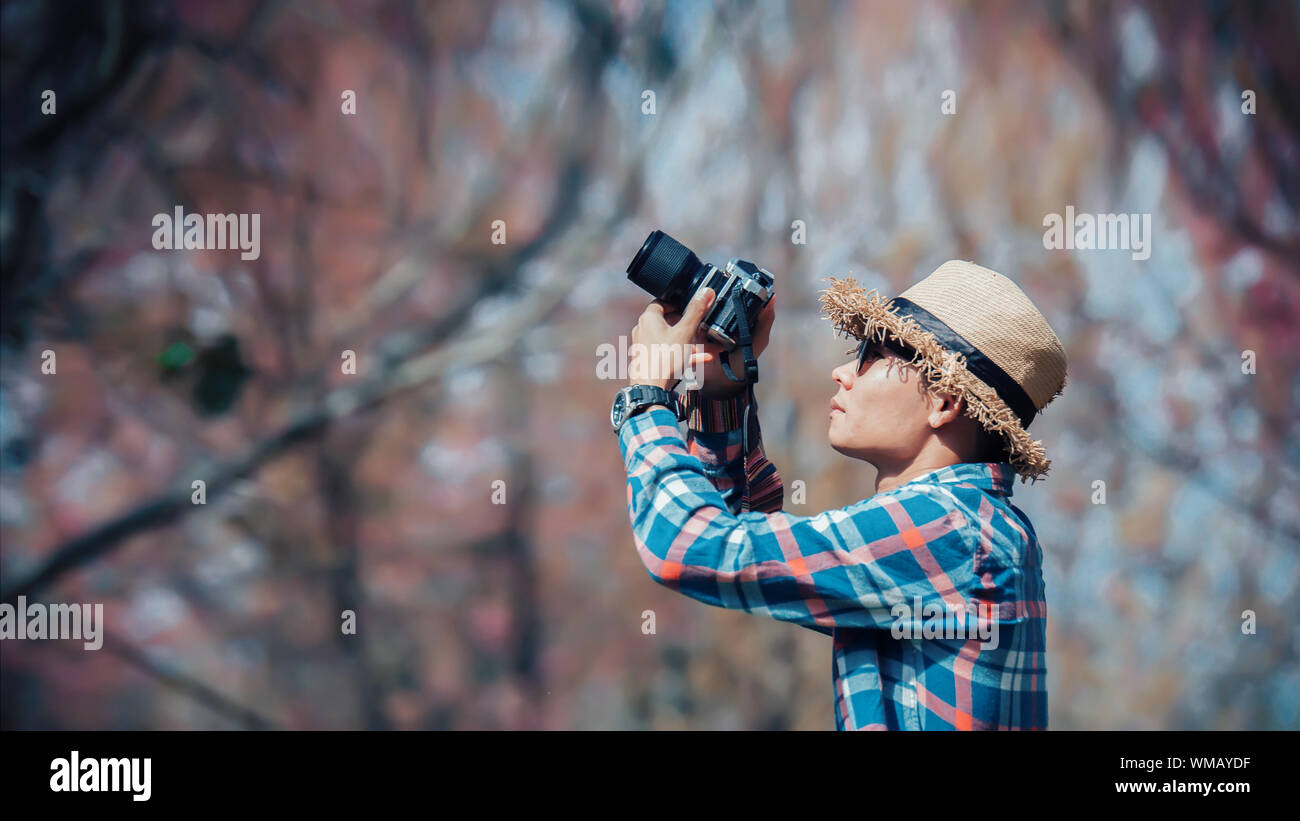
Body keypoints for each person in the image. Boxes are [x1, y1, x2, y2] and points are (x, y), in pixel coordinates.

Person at [611, 259, 1068, 730]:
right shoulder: (970, 526)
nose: (842, 371)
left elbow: (688, 547)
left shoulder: (948, 528)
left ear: (946, 401)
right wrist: (722, 395)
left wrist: (646, 398)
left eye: (871, 355)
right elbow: (745, 533)